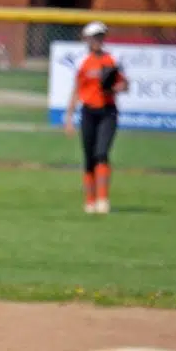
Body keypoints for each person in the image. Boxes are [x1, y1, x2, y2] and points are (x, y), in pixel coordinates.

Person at [64, 20, 128, 214]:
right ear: (87, 39)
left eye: (101, 36)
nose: (98, 40)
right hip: (88, 112)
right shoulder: (82, 62)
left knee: (101, 153)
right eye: (94, 37)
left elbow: (125, 84)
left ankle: (103, 199)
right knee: (89, 157)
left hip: (108, 111)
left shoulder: (112, 60)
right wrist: (69, 117)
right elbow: (76, 90)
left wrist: (119, 87)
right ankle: (90, 200)